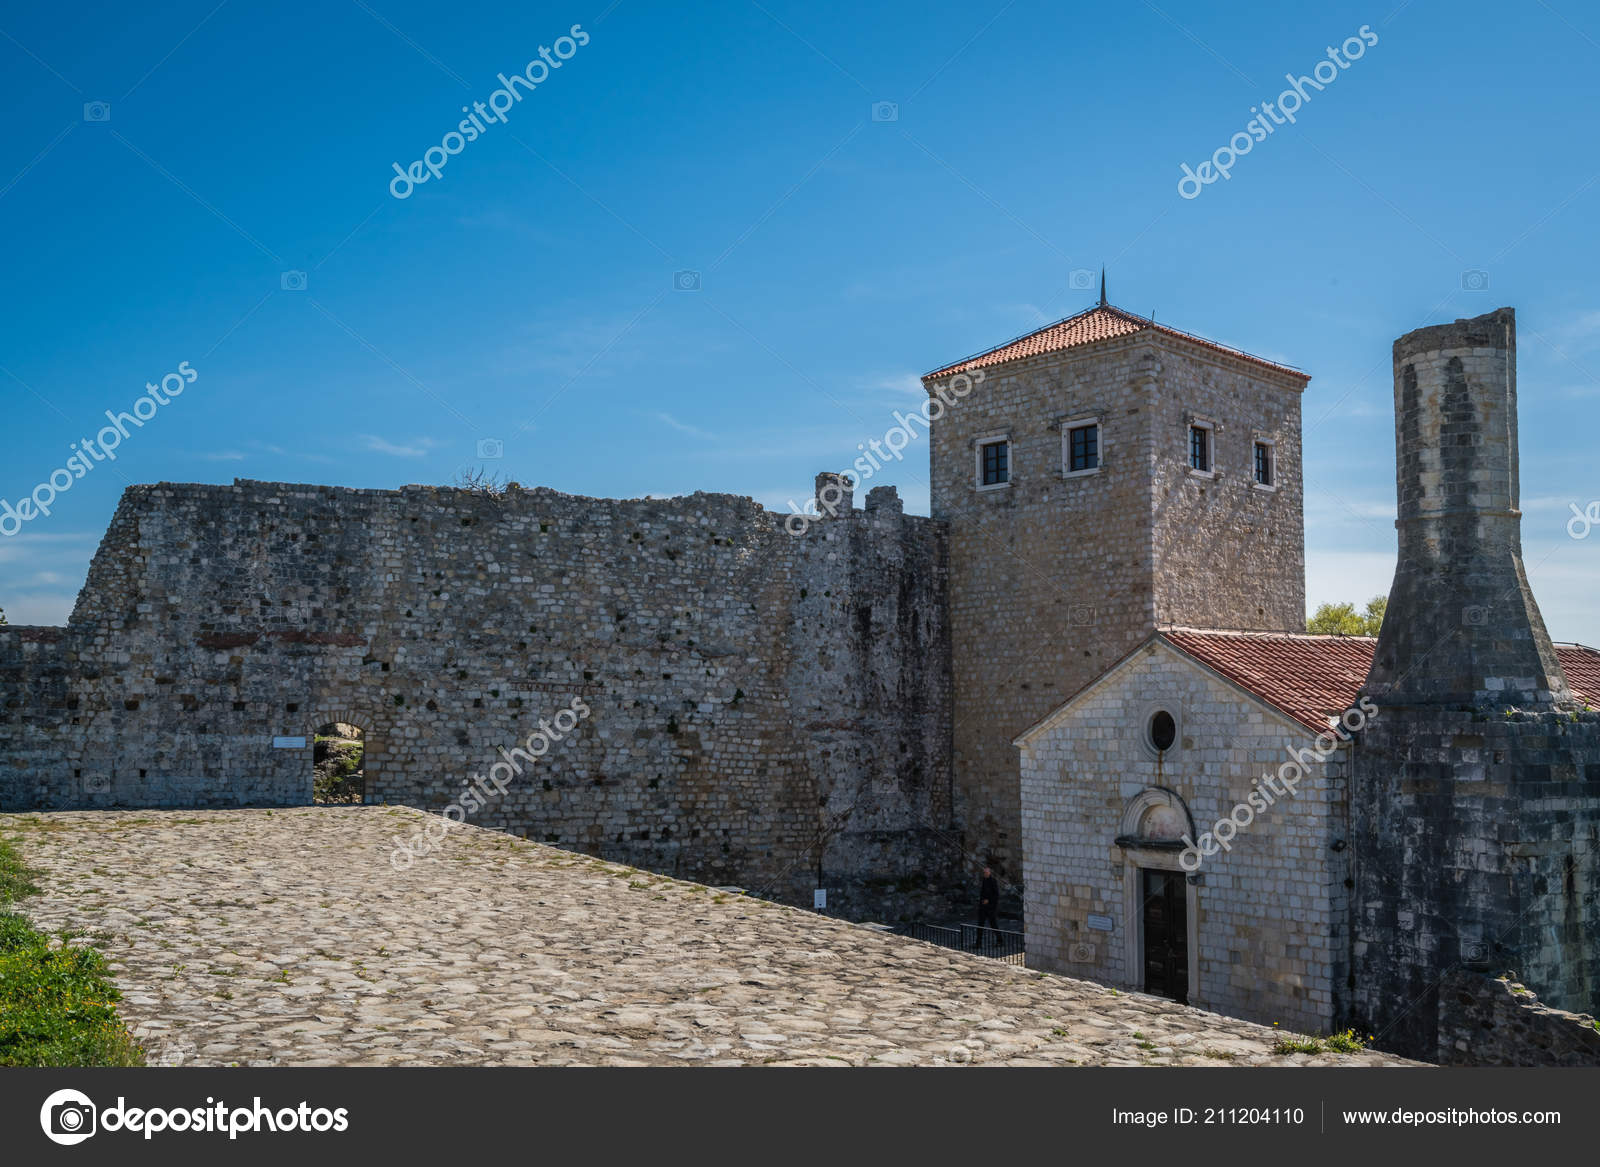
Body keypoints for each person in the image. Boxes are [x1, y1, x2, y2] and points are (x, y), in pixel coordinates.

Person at [975, 866, 1001, 948]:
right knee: (980, 925)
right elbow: (982, 893)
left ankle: (1000, 941)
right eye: (984, 873)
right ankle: (978, 943)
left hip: (991, 908)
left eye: (986, 872)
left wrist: (989, 901)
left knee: (994, 925)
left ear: (989, 873)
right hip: (983, 907)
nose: (984, 874)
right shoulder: (984, 881)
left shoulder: (993, 881)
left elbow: (996, 895)